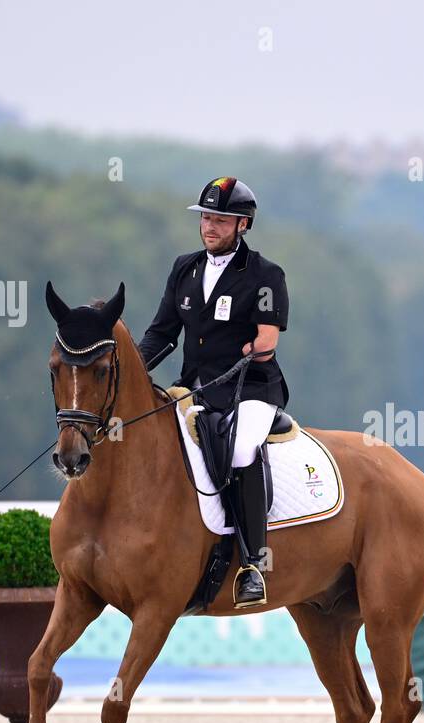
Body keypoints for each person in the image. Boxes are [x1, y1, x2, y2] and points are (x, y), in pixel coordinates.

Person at [136, 176, 290, 608]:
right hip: (193, 390)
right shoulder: (185, 268)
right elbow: (162, 333)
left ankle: (254, 564)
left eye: (220, 220)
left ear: (243, 225)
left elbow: (266, 340)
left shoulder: (264, 275)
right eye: (206, 217)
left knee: (241, 450)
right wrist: (129, 371)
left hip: (251, 389)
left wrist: (248, 352)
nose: (210, 226)